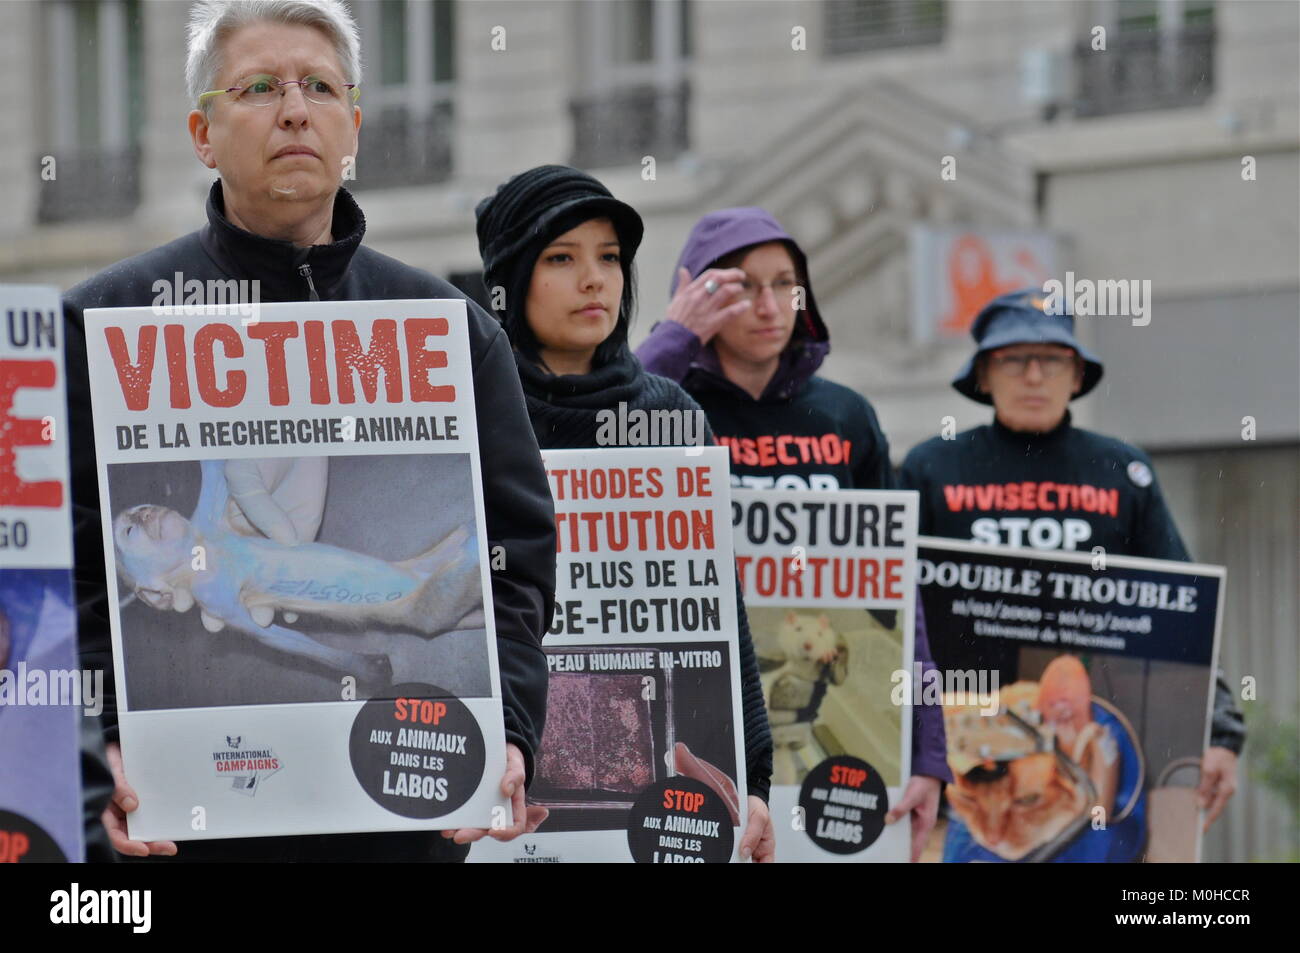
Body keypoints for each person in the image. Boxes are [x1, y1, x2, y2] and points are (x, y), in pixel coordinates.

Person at [62, 0, 555, 862]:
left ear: (353, 125)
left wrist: (508, 731)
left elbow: (520, 554)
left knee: (431, 575)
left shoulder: (451, 326)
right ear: (202, 133)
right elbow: (59, 584)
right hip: (183, 834)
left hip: (408, 826)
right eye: (258, 87)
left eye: (319, 87)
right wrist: (91, 754)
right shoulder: (101, 323)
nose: (294, 108)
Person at [475, 165, 776, 862]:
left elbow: (719, 609)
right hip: (501, 797)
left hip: (651, 809)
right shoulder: (472, 409)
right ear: (507, 282)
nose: (595, 280)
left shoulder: (671, 414)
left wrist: (754, 776)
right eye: (561, 258)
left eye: (610, 258)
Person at [636, 207, 950, 862]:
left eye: (785, 283)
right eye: (742, 285)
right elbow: (602, 433)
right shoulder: (663, 400)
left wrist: (928, 751)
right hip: (695, 713)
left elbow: (900, 593)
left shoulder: (845, 416)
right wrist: (672, 339)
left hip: (836, 717)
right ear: (695, 290)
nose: (770, 304)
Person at [897, 288, 1245, 852]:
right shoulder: (930, 468)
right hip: (963, 771)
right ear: (983, 375)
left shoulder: (1122, 470)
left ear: (1077, 374)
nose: (1034, 375)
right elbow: (892, 619)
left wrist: (1221, 732)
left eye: (1052, 360)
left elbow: (1181, 611)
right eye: (1013, 359)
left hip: (1093, 769)